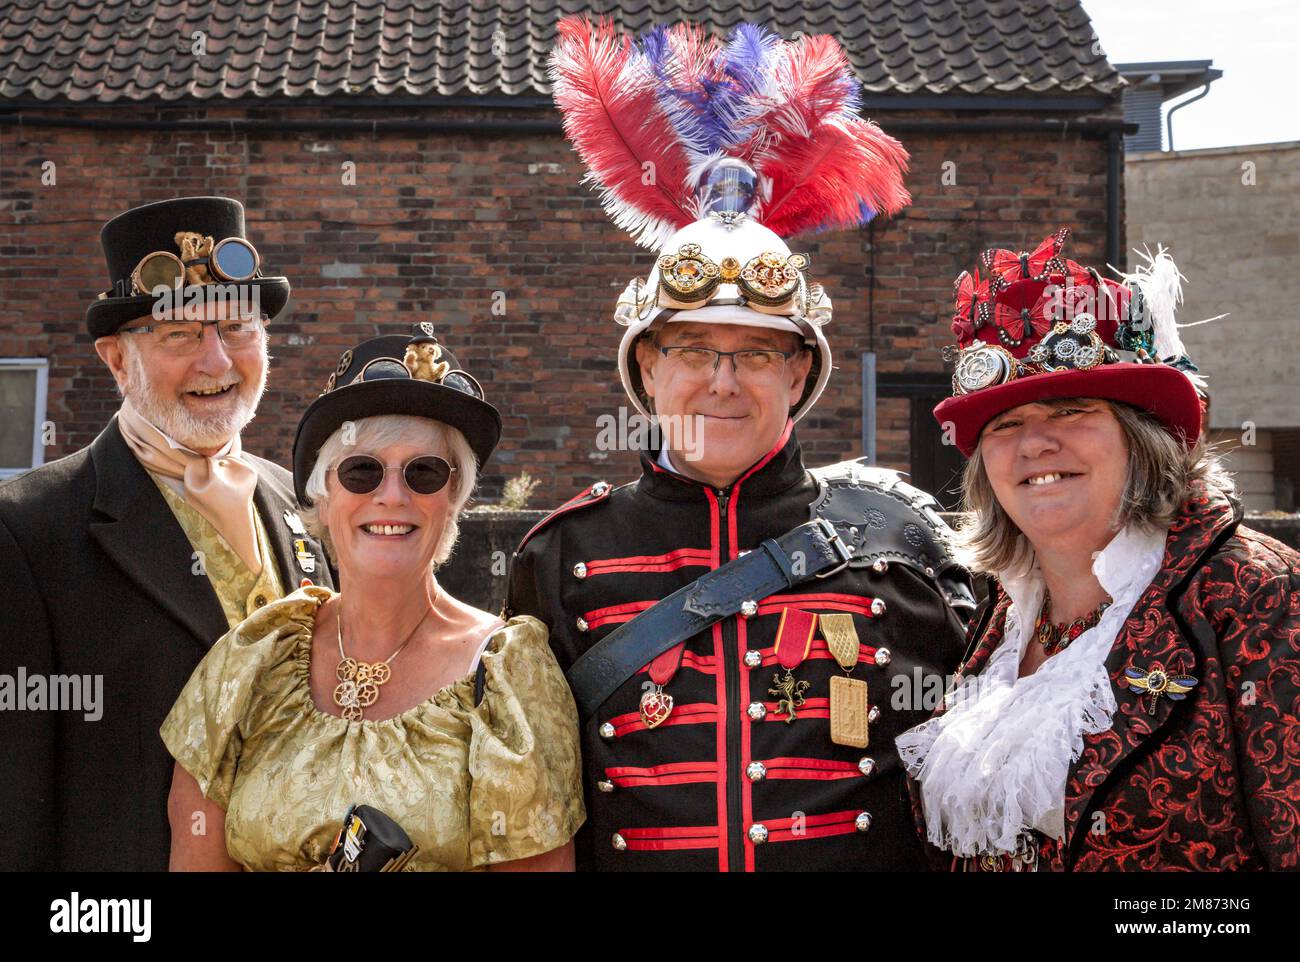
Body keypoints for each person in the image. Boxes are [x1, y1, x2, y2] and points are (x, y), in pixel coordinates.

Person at [506, 19, 975, 872]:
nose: (723, 382)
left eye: (758, 353)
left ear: (800, 373)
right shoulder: (561, 556)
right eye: (692, 350)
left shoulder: (903, 542)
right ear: (646, 367)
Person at [899, 231, 1300, 870]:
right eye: (1004, 425)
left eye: (1069, 411)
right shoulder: (1003, 614)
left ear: (1140, 438)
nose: (1034, 445)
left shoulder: (1254, 592)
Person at [162, 325, 584, 871]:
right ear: (323, 490)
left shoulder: (506, 676)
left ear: (453, 497)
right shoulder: (251, 659)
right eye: (362, 470)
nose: (392, 495)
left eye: (424, 472)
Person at [0, 196, 330, 871]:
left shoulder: (307, 504)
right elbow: (14, 809)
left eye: (237, 328)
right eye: (179, 334)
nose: (216, 363)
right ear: (118, 360)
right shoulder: (27, 530)